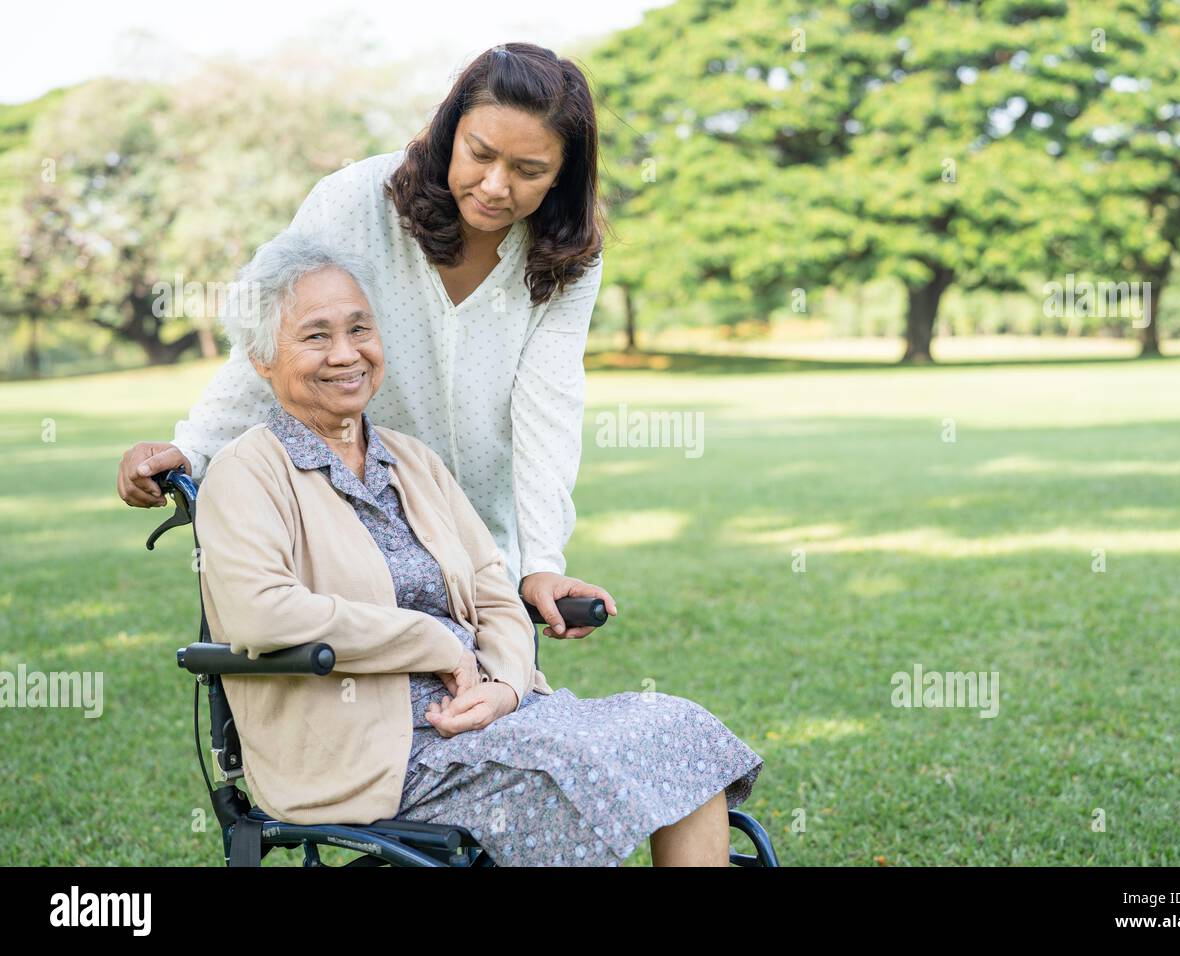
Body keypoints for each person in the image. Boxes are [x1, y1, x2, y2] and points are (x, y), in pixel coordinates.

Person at [194, 231, 763, 866]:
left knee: (671, 726)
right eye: (316, 336)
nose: (347, 354)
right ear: (262, 358)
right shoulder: (246, 473)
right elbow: (261, 613)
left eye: (360, 329)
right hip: (368, 752)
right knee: (568, 772)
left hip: (487, 716)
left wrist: (507, 688)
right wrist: (431, 640)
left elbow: (495, 593)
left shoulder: (412, 463)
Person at [117, 42, 611, 637]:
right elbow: (273, 339)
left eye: (530, 171)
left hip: (482, 544)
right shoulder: (355, 200)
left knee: (499, 701)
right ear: (449, 131)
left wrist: (540, 566)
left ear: (563, 176)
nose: (494, 186)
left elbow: (548, 405)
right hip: (357, 527)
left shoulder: (568, 255)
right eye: (479, 154)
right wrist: (193, 447)